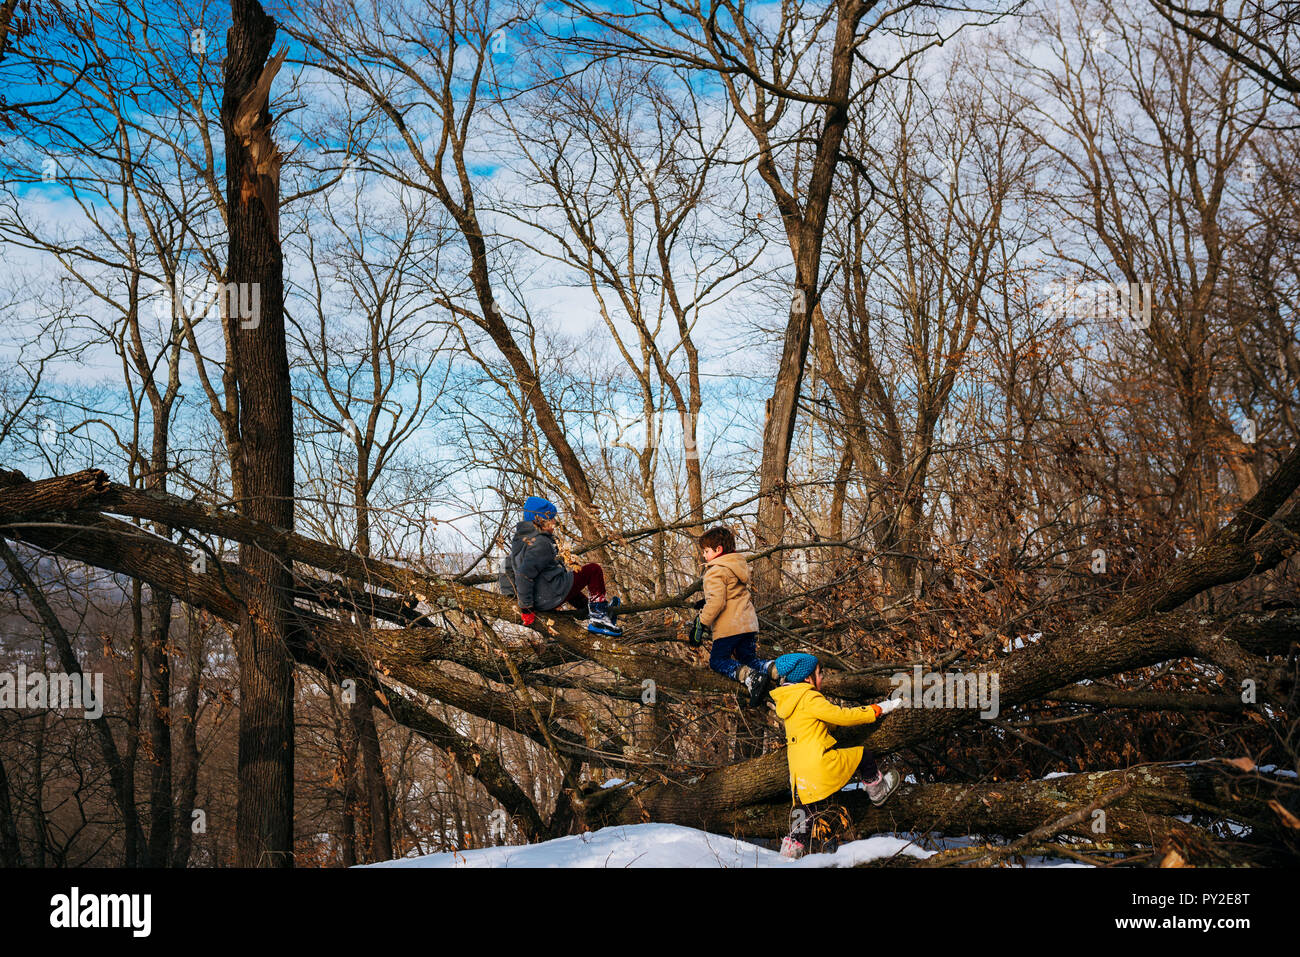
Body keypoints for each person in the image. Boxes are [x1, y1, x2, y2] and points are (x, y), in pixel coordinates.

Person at [768, 652, 902, 858]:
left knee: (804, 817)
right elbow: (841, 716)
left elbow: (817, 721)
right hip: (819, 764)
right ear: (807, 678)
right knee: (862, 755)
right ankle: (878, 792)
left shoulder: (789, 701)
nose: (823, 678)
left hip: (798, 774)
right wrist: (874, 710)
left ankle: (788, 856)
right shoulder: (809, 696)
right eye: (820, 673)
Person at [497, 495, 622, 636]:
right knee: (593, 570)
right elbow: (523, 575)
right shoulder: (541, 543)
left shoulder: (520, 543)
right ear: (540, 520)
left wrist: (510, 595)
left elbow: (505, 567)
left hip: (541, 597)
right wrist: (526, 608)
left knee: (568, 584)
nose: (554, 523)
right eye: (551, 519)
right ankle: (599, 617)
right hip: (548, 595)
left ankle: (593, 611)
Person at [692, 526, 773, 707]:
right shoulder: (737, 566)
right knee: (749, 659)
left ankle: (750, 677)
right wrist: (705, 602)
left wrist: (701, 622)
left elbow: (717, 603)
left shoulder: (715, 570)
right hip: (748, 624)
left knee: (718, 661)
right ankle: (774, 670)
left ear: (718, 550)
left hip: (729, 627)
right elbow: (729, 594)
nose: (704, 555)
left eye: (706, 551)